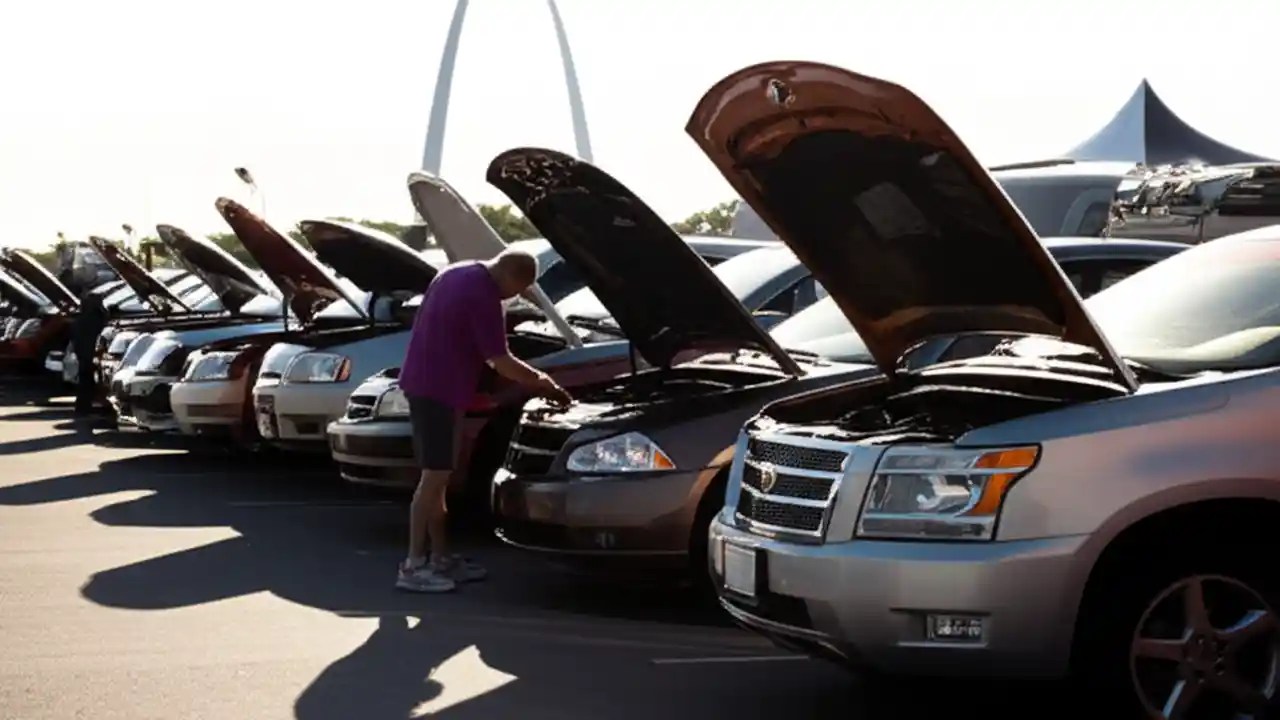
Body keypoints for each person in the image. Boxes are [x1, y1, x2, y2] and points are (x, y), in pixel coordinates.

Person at [396, 249, 573, 593]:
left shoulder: (456, 272)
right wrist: (543, 383)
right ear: (513, 277)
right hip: (439, 391)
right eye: (519, 290)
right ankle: (413, 565)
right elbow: (500, 360)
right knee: (433, 479)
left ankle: (441, 558)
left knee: (439, 477)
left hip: (426, 384)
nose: (514, 297)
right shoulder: (484, 295)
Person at [72, 287, 108, 417]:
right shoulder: (97, 317)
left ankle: (83, 406)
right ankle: (85, 406)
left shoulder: (81, 317)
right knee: (88, 380)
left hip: (84, 353)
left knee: (85, 381)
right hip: (91, 353)